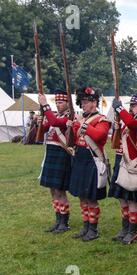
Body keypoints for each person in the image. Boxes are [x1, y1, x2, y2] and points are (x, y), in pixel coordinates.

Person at [67, 87, 111, 241]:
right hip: (80, 158)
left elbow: (99, 135)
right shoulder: (81, 118)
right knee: (81, 196)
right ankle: (85, 226)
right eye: (82, 102)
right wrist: (72, 125)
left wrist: (81, 124)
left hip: (92, 159)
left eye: (86, 102)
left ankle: (93, 228)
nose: (83, 105)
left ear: (94, 102)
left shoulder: (102, 119)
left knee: (91, 198)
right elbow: (73, 139)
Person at [109, 93, 137, 244]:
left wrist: (119, 109)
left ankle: (133, 231)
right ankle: (125, 228)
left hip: (135, 165)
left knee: (132, 200)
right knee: (122, 198)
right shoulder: (128, 119)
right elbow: (115, 143)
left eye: (134, 105)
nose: (131, 108)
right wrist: (117, 128)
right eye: (130, 105)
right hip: (122, 161)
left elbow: (132, 124)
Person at [38, 90, 73, 233]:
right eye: (57, 102)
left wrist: (45, 105)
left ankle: (64, 221)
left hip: (61, 154)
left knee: (60, 190)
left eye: (61, 102)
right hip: (51, 153)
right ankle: (58, 219)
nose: (58, 105)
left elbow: (55, 123)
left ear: (67, 103)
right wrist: (39, 122)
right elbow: (45, 128)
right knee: (52, 190)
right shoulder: (57, 115)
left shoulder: (70, 117)